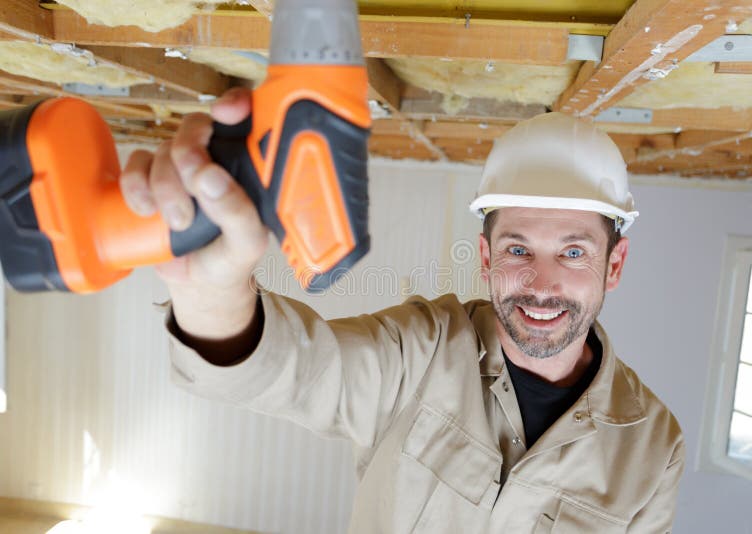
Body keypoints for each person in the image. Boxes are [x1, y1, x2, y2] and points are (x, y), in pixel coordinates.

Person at [120, 88, 684, 533]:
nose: (542, 284)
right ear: (486, 256)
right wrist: (213, 289)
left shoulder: (654, 448)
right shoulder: (424, 350)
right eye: (518, 249)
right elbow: (294, 369)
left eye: (573, 252)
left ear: (614, 264)